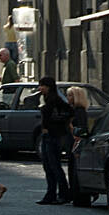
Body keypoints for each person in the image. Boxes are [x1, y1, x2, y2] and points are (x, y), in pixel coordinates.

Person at [37, 76, 72, 205]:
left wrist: (53, 125)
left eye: (43, 86)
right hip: (46, 136)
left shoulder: (56, 99)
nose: (40, 88)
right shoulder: (44, 98)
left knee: (55, 165)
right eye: (40, 85)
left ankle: (64, 194)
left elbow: (69, 112)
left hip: (54, 136)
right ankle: (50, 194)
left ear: (49, 87)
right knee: (47, 166)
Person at [66, 86, 91, 206]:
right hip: (73, 142)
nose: (68, 98)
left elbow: (81, 130)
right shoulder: (74, 110)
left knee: (75, 169)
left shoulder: (79, 111)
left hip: (77, 142)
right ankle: (75, 195)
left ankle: (79, 197)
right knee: (72, 169)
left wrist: (71, 127)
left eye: (70, 95)